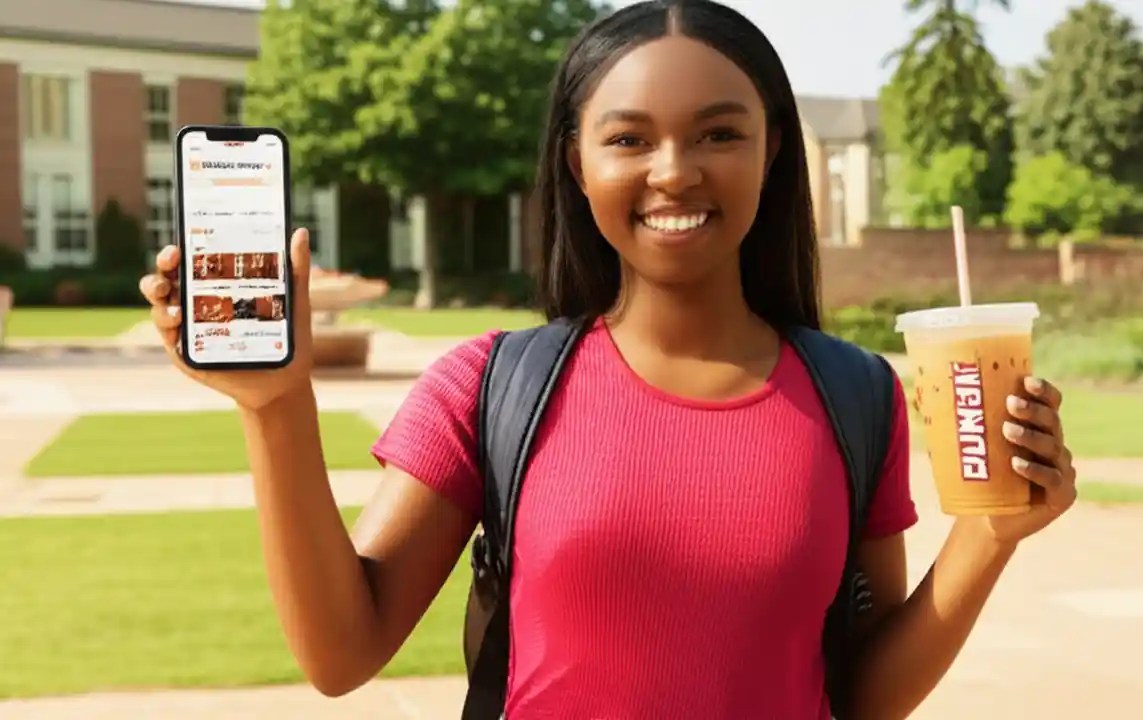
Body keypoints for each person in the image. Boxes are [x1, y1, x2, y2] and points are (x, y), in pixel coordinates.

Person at [138, 1, 1078, 717]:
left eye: (719, 133)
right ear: (578, 163)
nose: (675, 170)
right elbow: (339, 655)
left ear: (773, 151)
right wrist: (274, 406)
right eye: (629, 139)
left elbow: (861, 694)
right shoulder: (489, 387)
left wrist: (989, 534)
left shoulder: (856, 392)